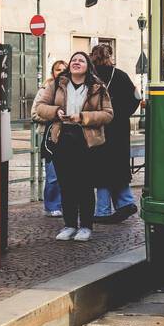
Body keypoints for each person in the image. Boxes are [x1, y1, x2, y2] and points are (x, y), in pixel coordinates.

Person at [33, 52, 113, 242]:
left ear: (87, 66)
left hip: (87, 140)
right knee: (66, 184)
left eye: (81, 60)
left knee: (85, 185)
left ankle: (85, 226)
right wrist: (56, 112)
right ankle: (69, 225)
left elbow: (108, 114)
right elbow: (40, 108)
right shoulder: (57, 84)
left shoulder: (97, 87)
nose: (77, 63)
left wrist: (83, 117)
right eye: (74, 60)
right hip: (62, 138)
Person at [91, 43, 140, 224]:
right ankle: (125, 202)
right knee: (117, 167)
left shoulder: (91, 77)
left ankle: (103, 210)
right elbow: (136, 98)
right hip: (118, 127)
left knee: (101, 170)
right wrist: (121, 113)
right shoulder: (120, 75)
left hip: (97, 126)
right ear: (110, 55)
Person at [41, 60, 66, 217]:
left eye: (64, 69)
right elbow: (37, 111)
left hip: (68, 135)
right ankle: (51, 205)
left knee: (66, 175)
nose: (62, 72)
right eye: (58, 70)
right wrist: (55, 112)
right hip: (50, 136)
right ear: (53, 72)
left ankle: (64, 204)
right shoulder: (47, 88)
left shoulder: (71, 88)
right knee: (53, 176)